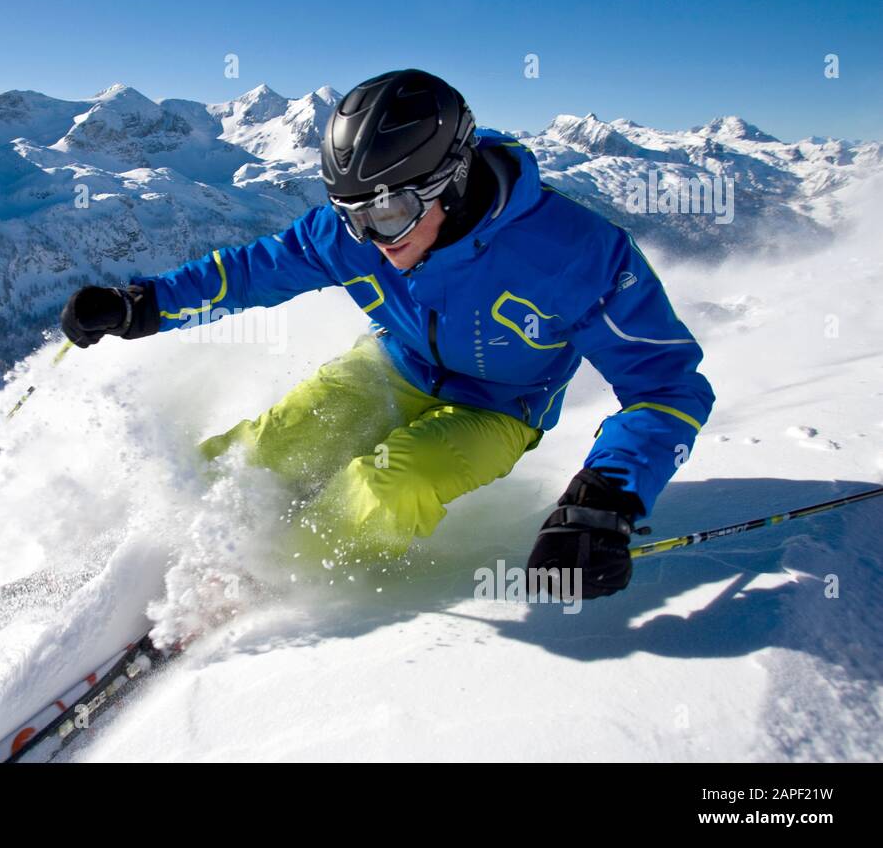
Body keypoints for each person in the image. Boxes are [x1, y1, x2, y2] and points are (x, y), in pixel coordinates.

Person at [59, 69, 715, 598]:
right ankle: (152, 546)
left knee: (389, 487)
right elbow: (253, 272)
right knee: (275, 445)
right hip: (393, 366)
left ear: (450, 183)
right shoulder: (357, 231)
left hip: (499, 409)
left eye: (392, 212)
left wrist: (605, 498)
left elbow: (665, 384)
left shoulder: (574, 254)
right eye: (351, 214)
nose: (371, 236)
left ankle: (264, 577)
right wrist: (143, 305)